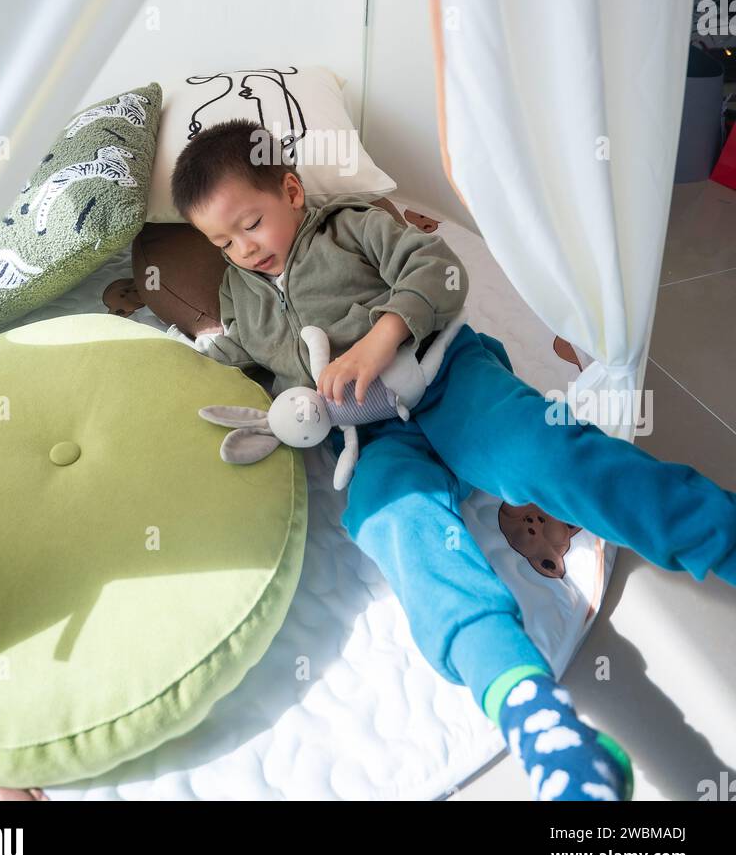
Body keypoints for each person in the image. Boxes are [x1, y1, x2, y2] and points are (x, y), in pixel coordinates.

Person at [171, 120, 736, 802]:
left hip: (445, 378)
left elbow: (439, 270)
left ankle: (717, 535)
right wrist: (207, 380)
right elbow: (246, 366)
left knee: (545, 455)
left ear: (291, 191)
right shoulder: (239, 297)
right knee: (394, 529)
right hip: (371, 438)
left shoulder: (351, 228)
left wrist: (382, 338)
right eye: (221, 242)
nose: (242, 249)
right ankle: (535, 718)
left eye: (251, 224)